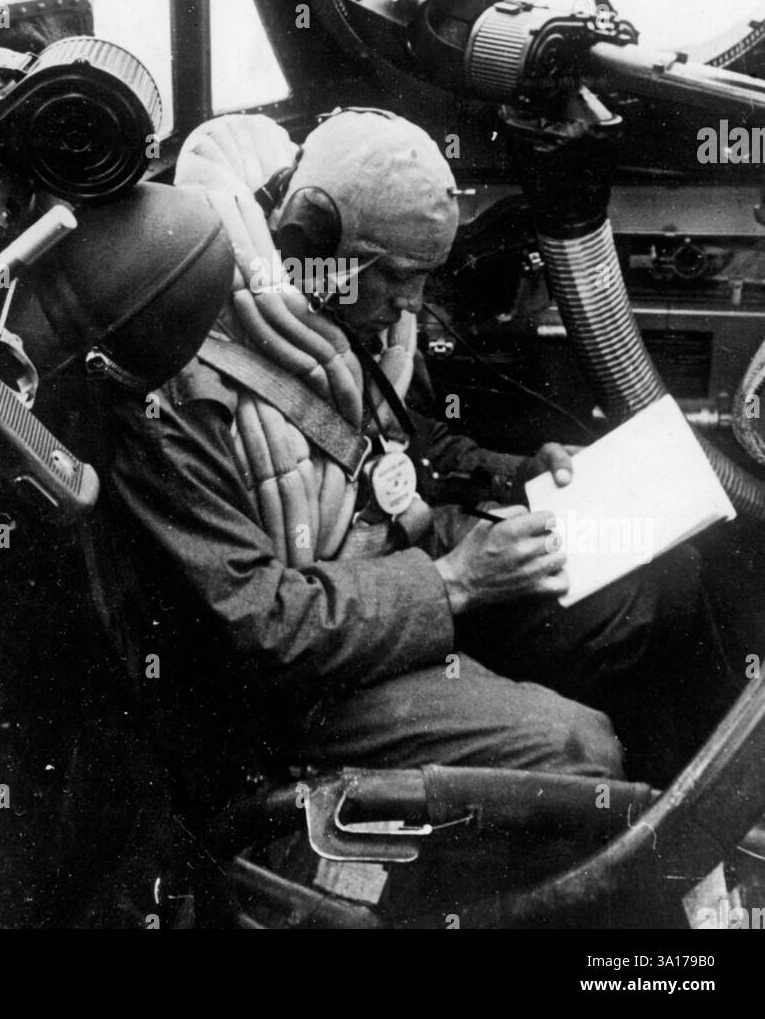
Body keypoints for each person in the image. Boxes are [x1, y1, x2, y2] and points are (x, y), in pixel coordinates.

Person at [96, 109, 744, 805]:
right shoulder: (179, 382)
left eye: (425, 277)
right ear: (309, 241)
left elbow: (401, 443)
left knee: (660, 580)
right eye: (399, 277)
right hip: (295, 686)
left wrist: (517, 472)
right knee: (574, 749)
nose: (413, 302)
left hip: (392, 574)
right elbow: (256, 628)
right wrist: (452, 583)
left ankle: (689, 822)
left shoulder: (336, 317)